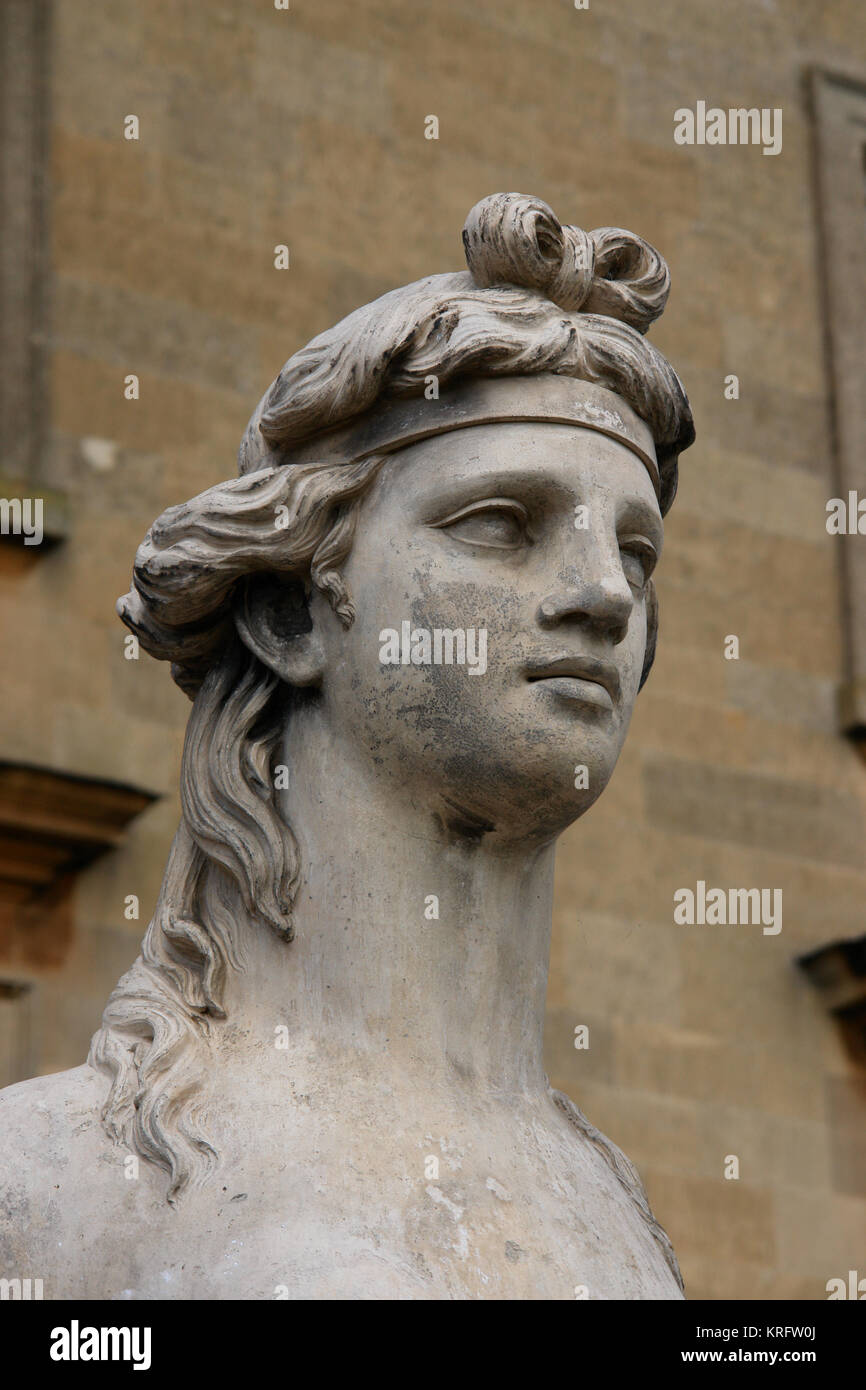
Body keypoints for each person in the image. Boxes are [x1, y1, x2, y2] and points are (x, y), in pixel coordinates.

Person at [0, 193, 695, 1299]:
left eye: (634, 550)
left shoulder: (614, 1213)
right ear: (289, 613)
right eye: (501, 524)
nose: (604, 594)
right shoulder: (45, 1178)